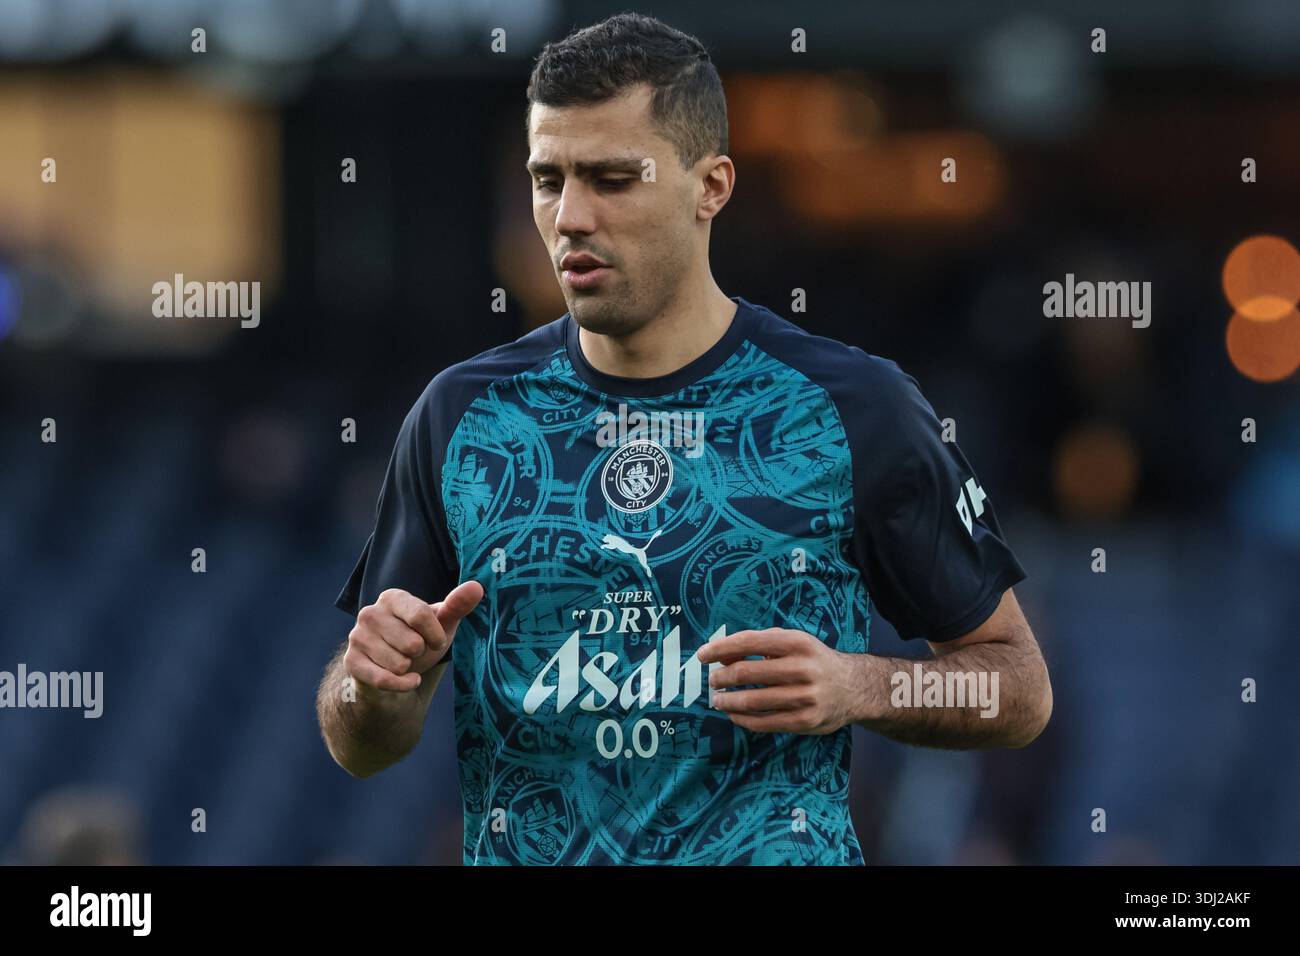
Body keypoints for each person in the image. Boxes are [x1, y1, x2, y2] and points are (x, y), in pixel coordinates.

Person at [317, 12, 1051, 865]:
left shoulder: (855, 407)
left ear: (712, 185)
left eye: (614, 178)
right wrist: (368, 686)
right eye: (548, 179)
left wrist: (861, 685)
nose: (571, 217)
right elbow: (361, 742)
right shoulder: (461, 416)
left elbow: (1019, 688)